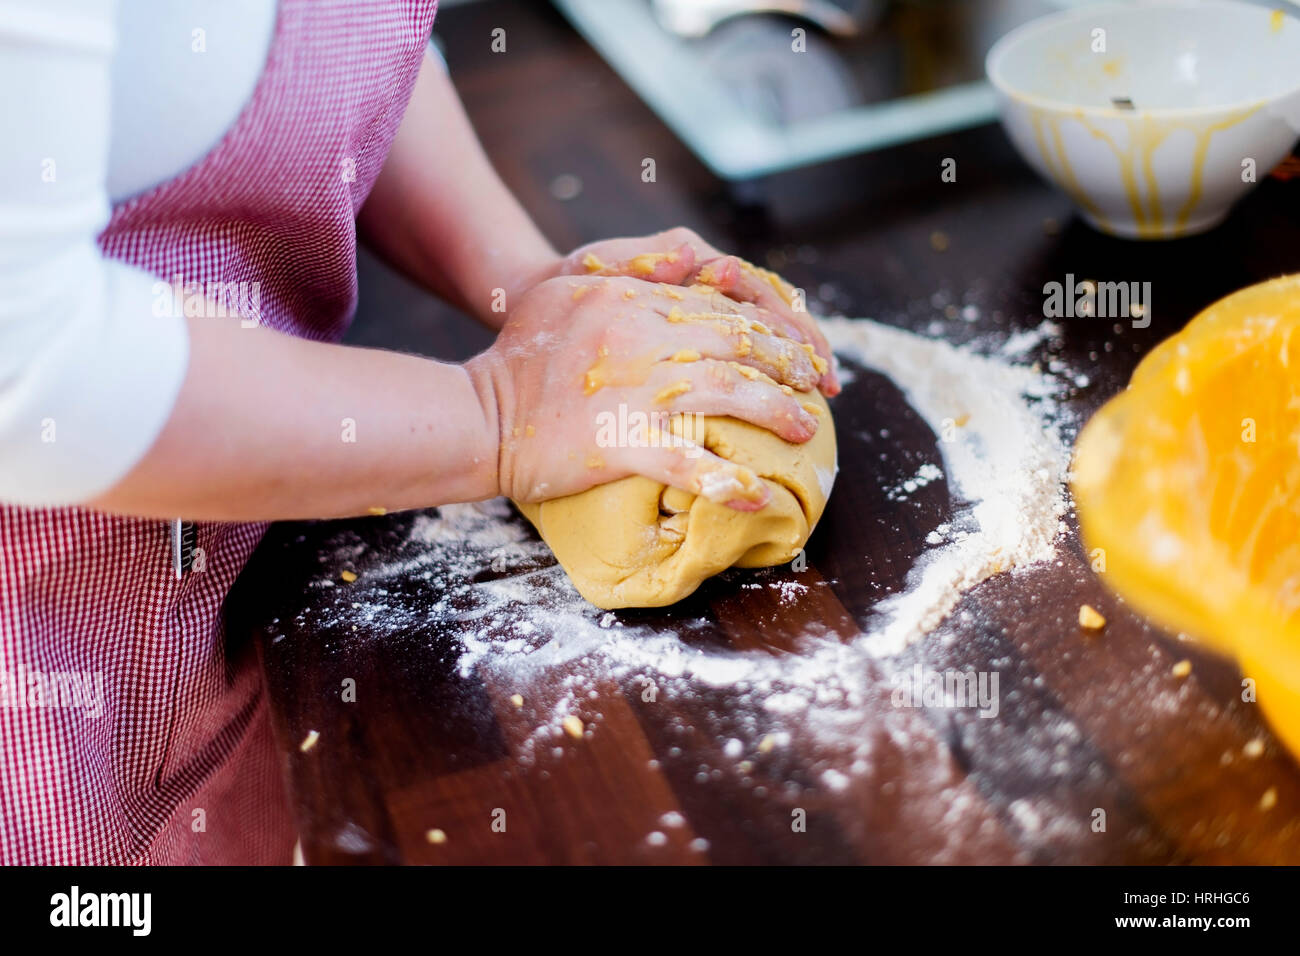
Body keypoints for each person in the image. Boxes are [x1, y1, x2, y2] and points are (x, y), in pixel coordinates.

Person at [0, 0, 836, 864]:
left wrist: (535, 290)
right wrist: (502, 417)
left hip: (249, 577)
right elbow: (28, 364)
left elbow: (342, 48)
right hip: (51, 686)